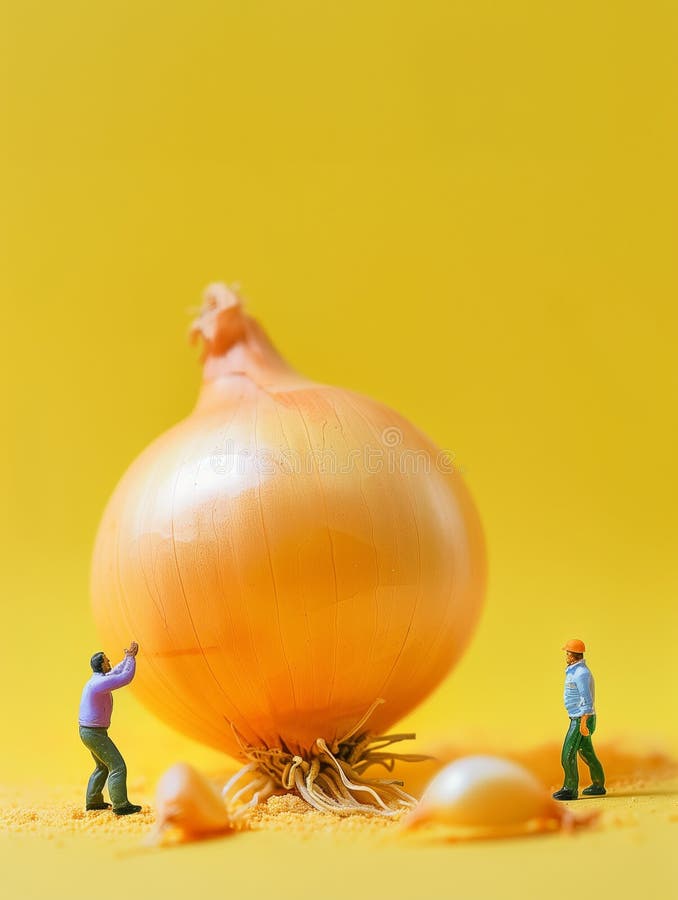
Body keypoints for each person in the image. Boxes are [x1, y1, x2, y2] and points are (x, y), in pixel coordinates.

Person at [78, 640, 142, 815]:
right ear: (101, 665)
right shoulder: (98, 684)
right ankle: (120, 805)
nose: (109, 663)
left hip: (90, 731)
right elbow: (124, 677)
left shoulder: (98, 680)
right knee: (118, 766)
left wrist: (127, 658)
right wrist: (130, 658)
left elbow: (116, 672)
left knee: (103, 766)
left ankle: (93, 801)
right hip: (94, 733)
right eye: (107, 661)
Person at [553, 638, 606, 801]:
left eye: (568, 653)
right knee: (587, 753)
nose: (566, 656)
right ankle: (598, 784)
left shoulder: (581, 674)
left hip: (581, 719)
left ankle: (570, 788)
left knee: (567, 754)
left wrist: (583, 723)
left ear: (575, 654)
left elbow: (587, 700)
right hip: (578, 718)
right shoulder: (573, 670)